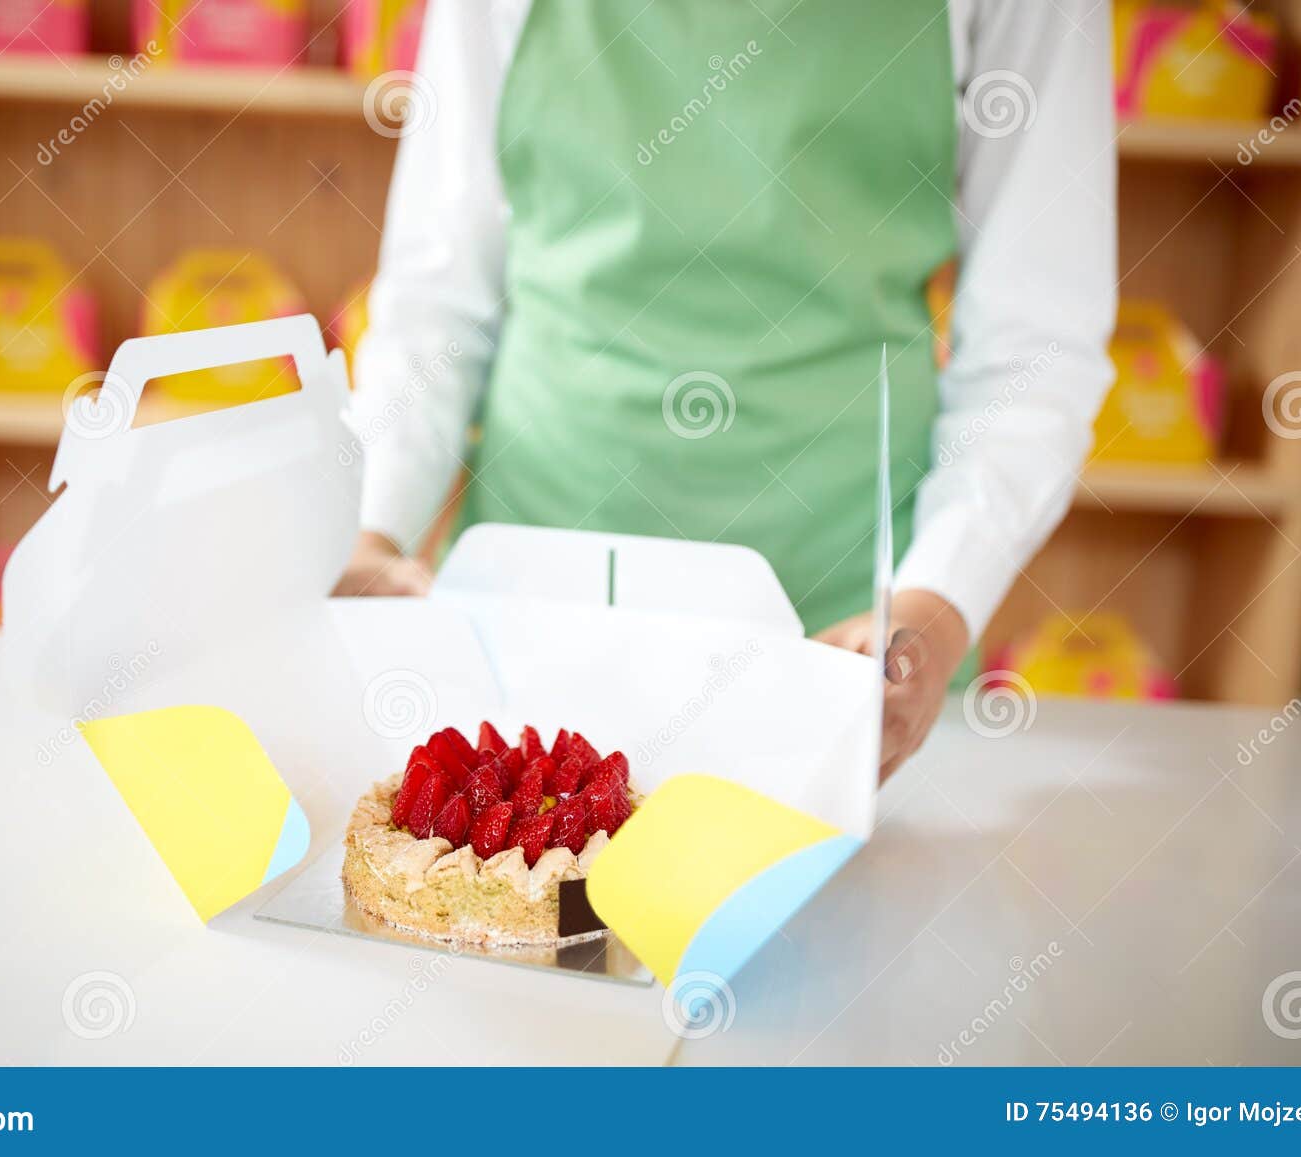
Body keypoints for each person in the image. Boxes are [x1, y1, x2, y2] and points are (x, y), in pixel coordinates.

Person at [337, 0, 1116, 778]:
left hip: (845, 626)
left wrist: (938, 602)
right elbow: (439, 291)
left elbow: (1035, 337)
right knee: (534, 891)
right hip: (532, 596)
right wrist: (374, 525)